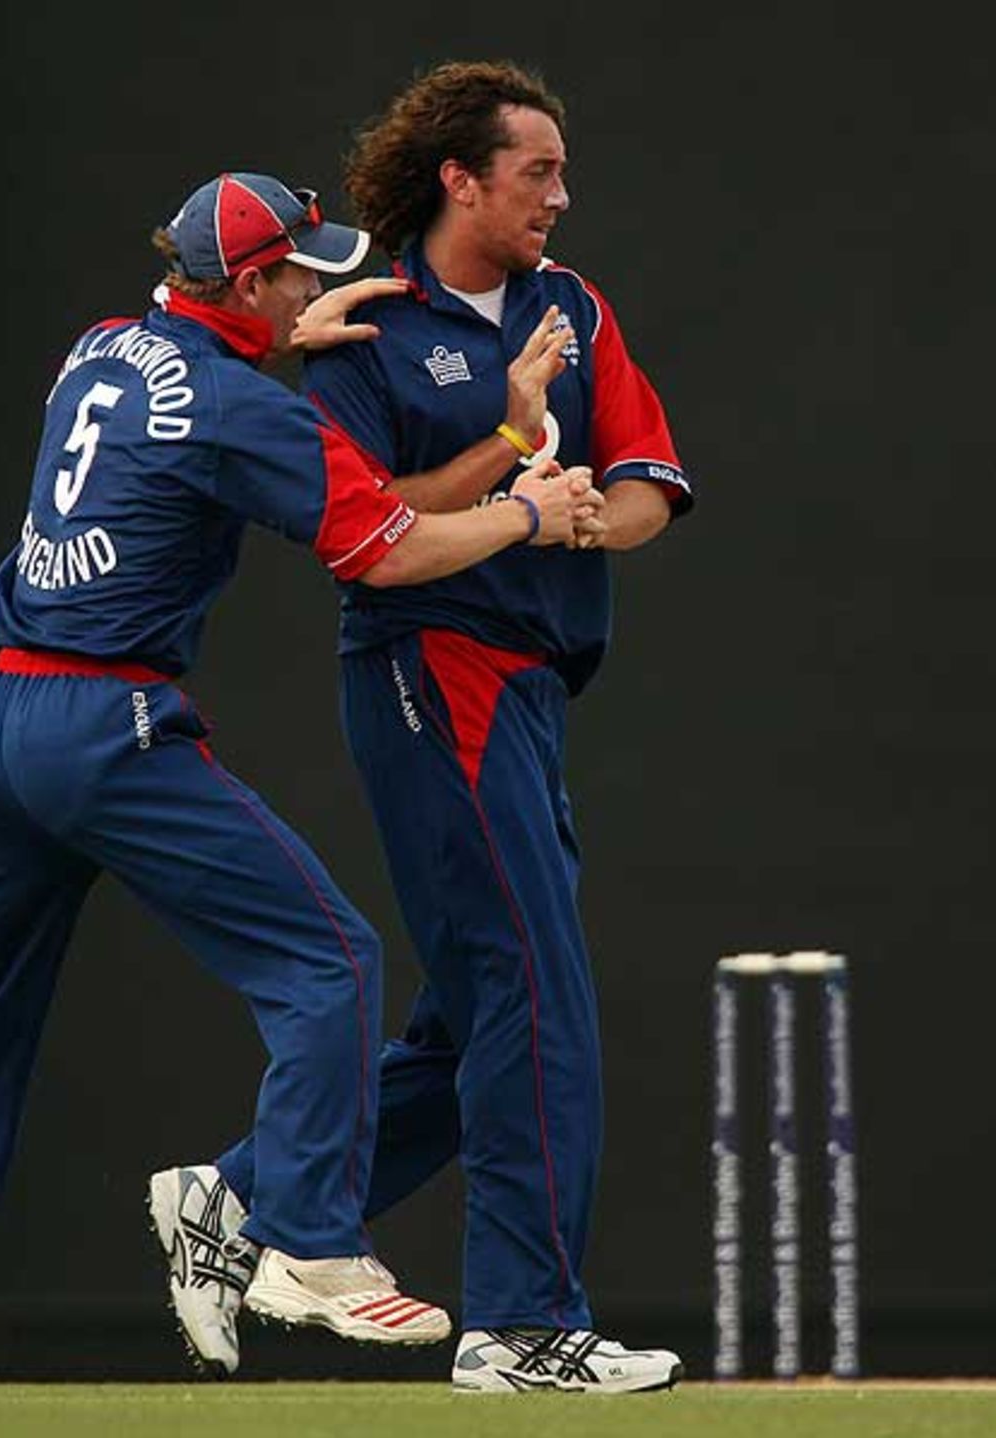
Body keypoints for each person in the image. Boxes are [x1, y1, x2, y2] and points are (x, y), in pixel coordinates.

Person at [0, 169, 596, 1395]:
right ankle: (306, 1244)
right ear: (248, 285)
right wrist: (528, 511)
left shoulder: (98, 347)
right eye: (300, 273)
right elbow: (391, 550)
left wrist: (281, 337)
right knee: (331, 961)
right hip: (105, 724)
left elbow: (177, 372)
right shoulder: (238, 408)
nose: (318, 286)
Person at [201, 65, 695, 1394]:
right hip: (431, 667)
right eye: (537, 170)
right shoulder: (365, 325)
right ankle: (521, 1325)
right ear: (460, 179)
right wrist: (517, 462)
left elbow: (646, 486)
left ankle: (242, 1199)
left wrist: (580, 520)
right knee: (535, 994)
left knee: (479, 1009)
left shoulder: (572, 305)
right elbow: (369, 524)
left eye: (561, 170)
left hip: (531, 689)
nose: (561, 195)